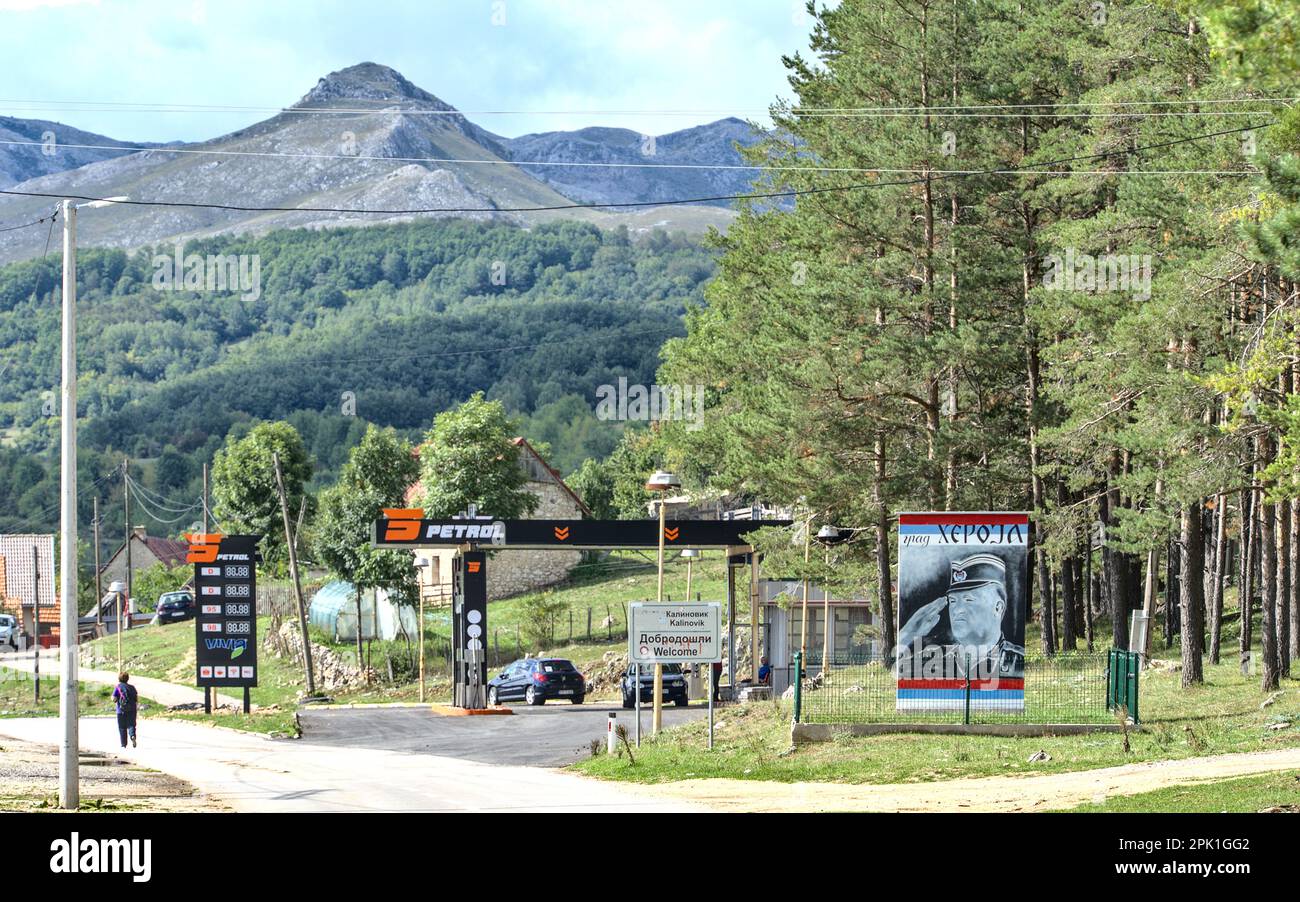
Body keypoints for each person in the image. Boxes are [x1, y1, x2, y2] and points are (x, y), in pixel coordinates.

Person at [897, 553, 1024, 680]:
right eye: (953, 601)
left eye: (968, 599)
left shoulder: (1018, 663)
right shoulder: (933, 658)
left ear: (998, 608)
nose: (957, 609)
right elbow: (894, 672)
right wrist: (909, 633)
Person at [112, 672, 138, 748]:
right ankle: (132, 735)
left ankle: (123, 744)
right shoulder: (132, 687)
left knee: (122, 727)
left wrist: (115, 700)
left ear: (119, 678)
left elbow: (114, 698)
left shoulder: (118, 687)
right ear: (127, 678)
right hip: (132, 710)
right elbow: (136, 699)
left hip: (121, 710)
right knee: (131, 725)